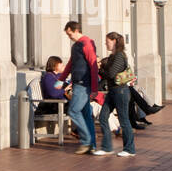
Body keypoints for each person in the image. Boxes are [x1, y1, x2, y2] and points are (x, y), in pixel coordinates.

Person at [59, 21, 103, 155]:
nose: (69, 37)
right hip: (81, 84)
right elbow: (70, 64)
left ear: (76, 30)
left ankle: (86, 141)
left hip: (83, 85)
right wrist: (61, 80)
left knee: (73, 111)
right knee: (85, 115)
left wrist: (95, 89)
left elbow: (93, 66)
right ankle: (92, 146)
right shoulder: (78, 46)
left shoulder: (86, 44)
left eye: (69, 34)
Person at [97, 32, 138, 157]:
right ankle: (107, 147)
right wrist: (101, 68)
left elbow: (110, 74)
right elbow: (108, 74)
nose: (105, 43)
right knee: (103, 117)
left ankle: (130, 149)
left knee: (124, 120)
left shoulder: (119, 56)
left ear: (114, 41)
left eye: (107, 41)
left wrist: (100, 68)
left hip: (121, 91)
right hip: (112, 91)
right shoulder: (112, 56)